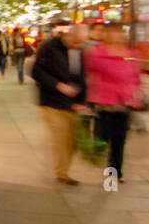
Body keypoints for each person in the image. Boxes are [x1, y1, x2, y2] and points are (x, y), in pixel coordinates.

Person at [30, 21, 88, 185]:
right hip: (51, 102)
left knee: (72, 141)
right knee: (61, 138)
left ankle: (63, 169)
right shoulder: (49, 47)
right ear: (69, 35)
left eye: (81, 43)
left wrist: (81, 101)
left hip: (71, 103)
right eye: (76, 42)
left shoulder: (80, 51)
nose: (77, 46)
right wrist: (58, 85)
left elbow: (82, 78)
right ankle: (62, 173)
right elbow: (36, 72)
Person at [84, 22, 142, 181]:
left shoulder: (131, 53)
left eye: (122, 33)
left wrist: (136, 94)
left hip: (124, 104)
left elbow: (135, 75)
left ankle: (115, 172)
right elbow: (88, 74)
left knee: (119, 140)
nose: (120, 36)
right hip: (105, 103)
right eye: (116, 33)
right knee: (103, 138)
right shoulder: (97, 54)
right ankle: (98, 155)